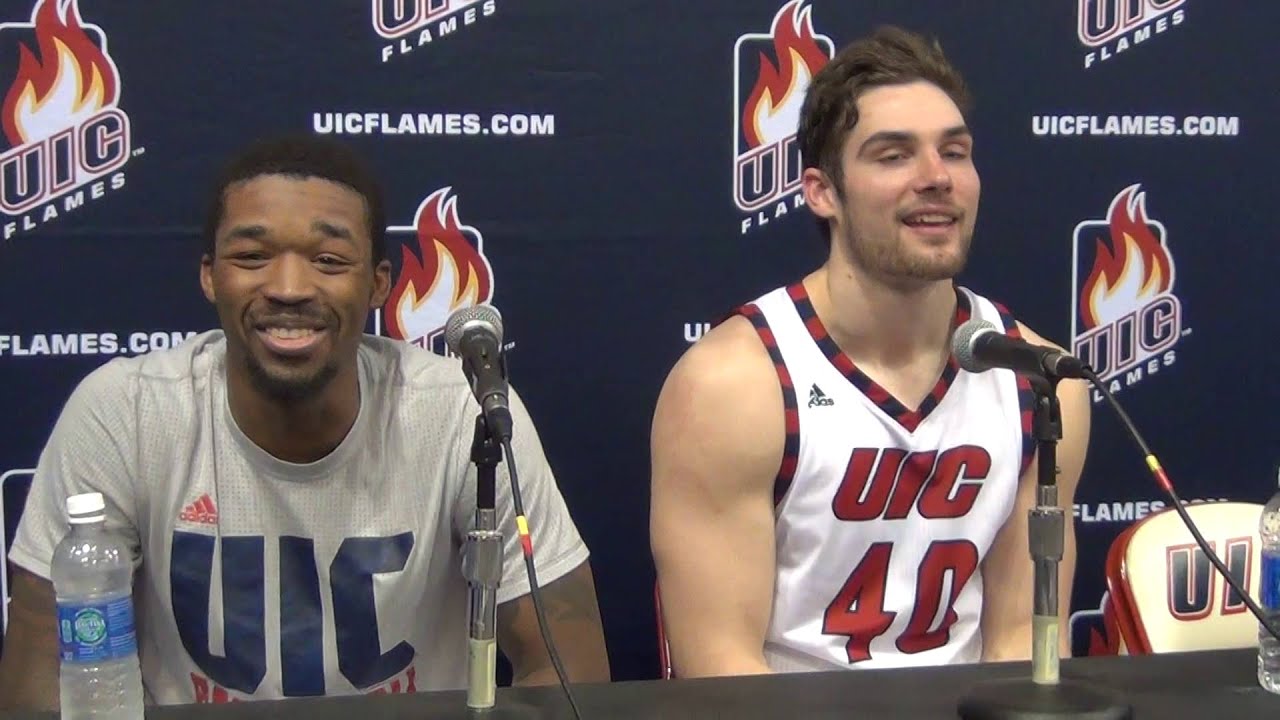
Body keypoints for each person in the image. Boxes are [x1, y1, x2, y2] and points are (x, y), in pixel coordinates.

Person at [0, 134, 609, 708]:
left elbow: (566, 660)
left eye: (327, 258)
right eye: (252, 255)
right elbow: (42, 680)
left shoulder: (459, 410)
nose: (289, 287)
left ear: (378, 285)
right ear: (210, 275)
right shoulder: (124, 412)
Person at [650, 26, 1091, 677]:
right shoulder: (734, 385)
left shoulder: (1039, 382)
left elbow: (1021, 643)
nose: (936, 177)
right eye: (894, 156)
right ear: (822, 191)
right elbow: (721, 669)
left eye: (955, 152)